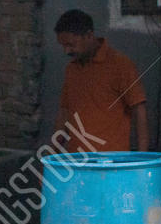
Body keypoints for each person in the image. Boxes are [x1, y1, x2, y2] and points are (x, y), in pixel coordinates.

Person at [53, 8, 148, 152]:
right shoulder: (71, 70)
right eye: (63, 46)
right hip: (77, 162)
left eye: (71, 45)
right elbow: (64, 113)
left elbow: (139, 110)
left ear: (89, 36)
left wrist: (143, 159)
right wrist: (51, 156)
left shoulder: (120, 65)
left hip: (112, 161)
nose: (66, 51)